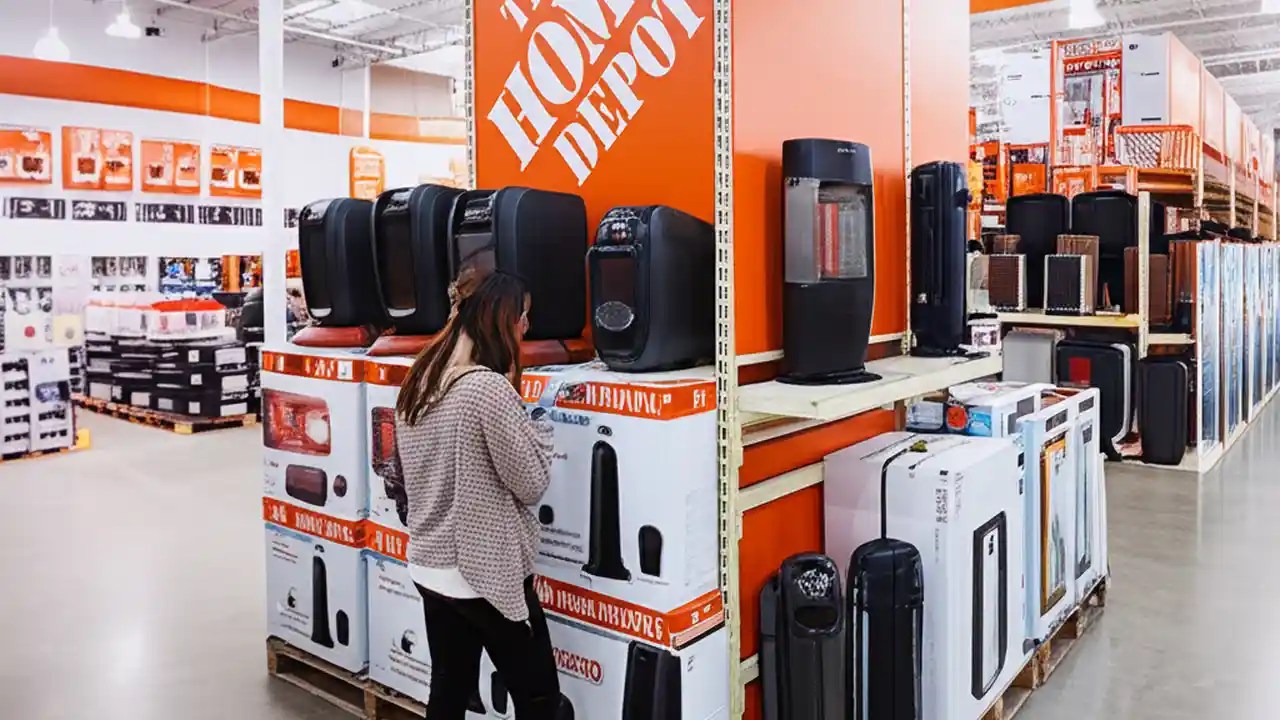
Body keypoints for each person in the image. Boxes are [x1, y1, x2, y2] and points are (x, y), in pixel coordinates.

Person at [395, 270, 559, 720]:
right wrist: (540, 427)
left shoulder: (420, 382)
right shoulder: (487, 389)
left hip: (431, 567)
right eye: (523, 318)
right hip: (483, 573)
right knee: (542, 701)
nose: (525, 329)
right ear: (503, 320)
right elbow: (531, 481)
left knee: (448, 690)